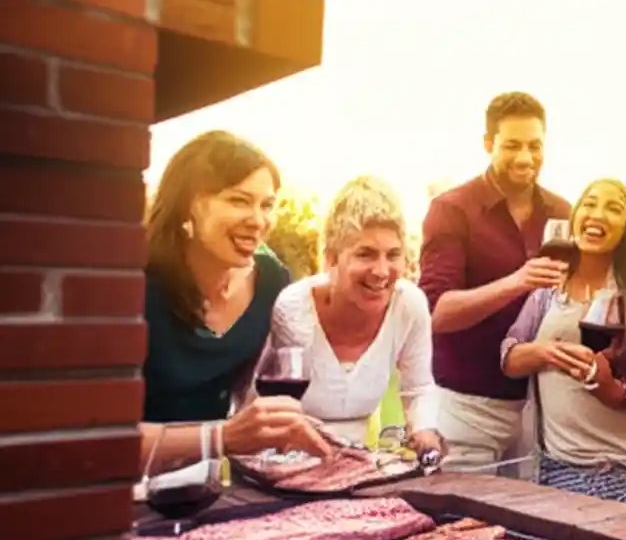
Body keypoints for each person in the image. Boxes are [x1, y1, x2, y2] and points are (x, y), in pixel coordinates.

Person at [140, 130, 329, 477]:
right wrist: (222, 436)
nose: (258, 221)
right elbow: (97, 438)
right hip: (117, 495)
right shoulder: (134, 287)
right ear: (188, 205)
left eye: (267, 204)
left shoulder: (270, 282)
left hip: (203, 488)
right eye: (239, 201)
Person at [418, 92, 572, 473]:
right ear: (488, 144)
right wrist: (516, 282)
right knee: (460, 527)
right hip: (466, 407)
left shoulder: (563, 212)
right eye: (512, 146)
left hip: (536, 408)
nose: (525, 157)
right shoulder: (452, 209)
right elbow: (435, 313)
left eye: (535, 145)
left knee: (527, 526)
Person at [500, 179, 626, 507]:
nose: (597, 214)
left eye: (613, 208)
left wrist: (602, 378)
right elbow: (509, 359)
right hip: (563, 471)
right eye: (589, 203)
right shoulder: (546, 293)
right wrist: (545, 352)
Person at [265, 175, 442, 454]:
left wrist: (425, 432)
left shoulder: (409, 305)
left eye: (393, 255)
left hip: (358, 462)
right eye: (366, 254)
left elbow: (419, 388)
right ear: (331, 258)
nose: (382, 271)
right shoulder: (293, 309)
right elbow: (270, 410)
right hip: (285, 459)